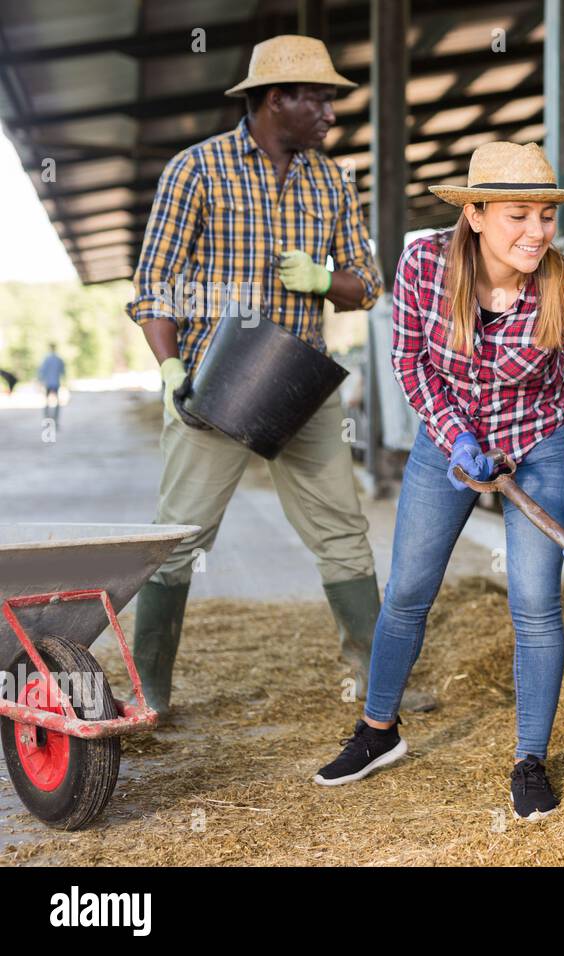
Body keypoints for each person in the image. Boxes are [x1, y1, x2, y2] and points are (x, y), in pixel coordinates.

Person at [313, 141, 564, 822]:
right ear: (477, 214)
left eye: (546, 216)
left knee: (537, 602)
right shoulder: (425, 263)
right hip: (449, 445)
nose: (536, 232)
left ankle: (530, 760)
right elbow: (410, 360)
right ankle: (378, 729)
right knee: (409, 590)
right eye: (519, 215)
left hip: (541, 444)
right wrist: (454, 434)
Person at [125, 35, 422, 716]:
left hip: (298, 383)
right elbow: (154, 286)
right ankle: (149, 694)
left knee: (341, 531)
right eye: (317, 99)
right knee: (177, 542)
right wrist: (172, 370)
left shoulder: (332, 181)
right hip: (214, 383)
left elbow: (369, 284)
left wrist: (326, 280)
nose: (330, 113)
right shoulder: (196, 171)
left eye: (329, 99)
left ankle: (376, 686)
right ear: (271, 101)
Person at [38, 343, 64, 421]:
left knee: (47, 401)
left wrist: (40, 380)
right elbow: (62, 371)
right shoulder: (59, 359)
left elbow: (42, 371)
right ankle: (55, 418)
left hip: (48, 383)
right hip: (56, 382)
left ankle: (47, 417)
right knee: (57, 401)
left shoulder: (46, 359)